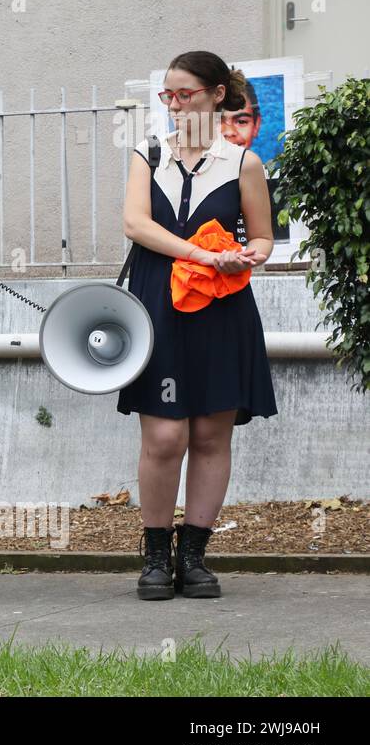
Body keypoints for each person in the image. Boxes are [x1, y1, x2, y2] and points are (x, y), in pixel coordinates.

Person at [119, 51, 278, 601]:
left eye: (184, 93)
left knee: (212, 434)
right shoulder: (149, 153)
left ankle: (194, 556)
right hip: (159, 305)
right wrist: (201, 254)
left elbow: (262, 237)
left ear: (214, 95)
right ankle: (155, 555)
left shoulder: (243, 164)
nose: (174, 103)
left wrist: (246, 256)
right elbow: (136, 224)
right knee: (164, 435)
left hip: (221, 308)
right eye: (167, 95)